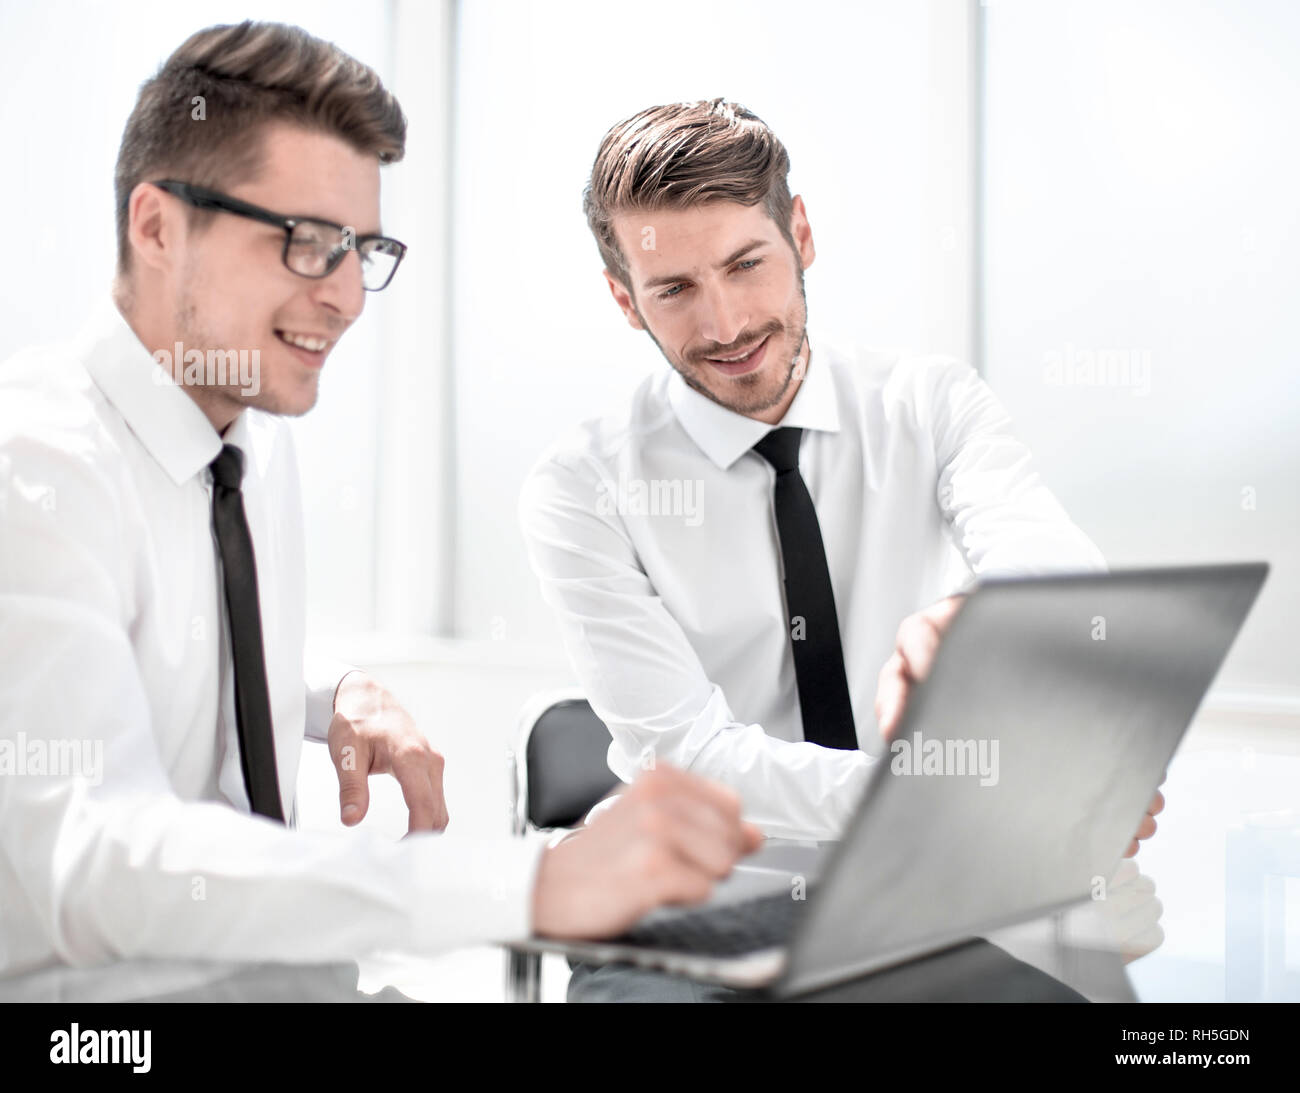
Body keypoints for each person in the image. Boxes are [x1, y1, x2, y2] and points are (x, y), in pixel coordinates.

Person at [0, 25, 759, 981]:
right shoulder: (34, 468)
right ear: (157, 227)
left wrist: (328, 690)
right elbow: (94, 861)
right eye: (311, 244)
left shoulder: (249, 443)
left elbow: (162, 627)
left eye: (363, 248)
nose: (351, 297)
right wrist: (520, 883)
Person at [517, 99, 1163, 1000]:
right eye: (675, 290)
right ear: (625, 299)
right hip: (689, 917)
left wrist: (989, 627)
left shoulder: (930, 406)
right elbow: (690, 754)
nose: (728, 322)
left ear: (802, 234)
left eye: (747, 264)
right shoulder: (581, 485)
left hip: (927, 914)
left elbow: (1048, 568)